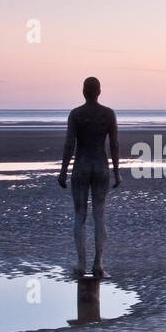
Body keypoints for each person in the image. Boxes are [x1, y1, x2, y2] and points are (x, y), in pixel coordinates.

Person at [58, 77, 120, 278]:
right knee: (99, 216)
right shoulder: (108, 114)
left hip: (82, 165)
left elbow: (70, 145)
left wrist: (63, 170)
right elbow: (114, 145)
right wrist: (117, 171)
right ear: (99, 91)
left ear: (84, 92)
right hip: (100, 165)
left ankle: (81, 263)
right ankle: (98, 264)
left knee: (80, 216)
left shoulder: (76, 114)